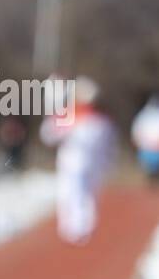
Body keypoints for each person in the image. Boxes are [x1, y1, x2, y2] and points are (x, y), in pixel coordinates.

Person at [40, 77, 117, 245]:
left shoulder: (79, 118)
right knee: (82, 194)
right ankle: (80, 228)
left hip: (75, 163)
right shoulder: (100, 120)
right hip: (91, 164)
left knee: (76, 194)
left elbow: (48, 134)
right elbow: (48, 134)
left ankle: (78, 229)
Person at [131, 94, 159, 183]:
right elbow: (138, 131)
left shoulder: (143, 115)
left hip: (151, 148)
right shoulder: (144, 115)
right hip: (147, 149)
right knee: (150, 172)